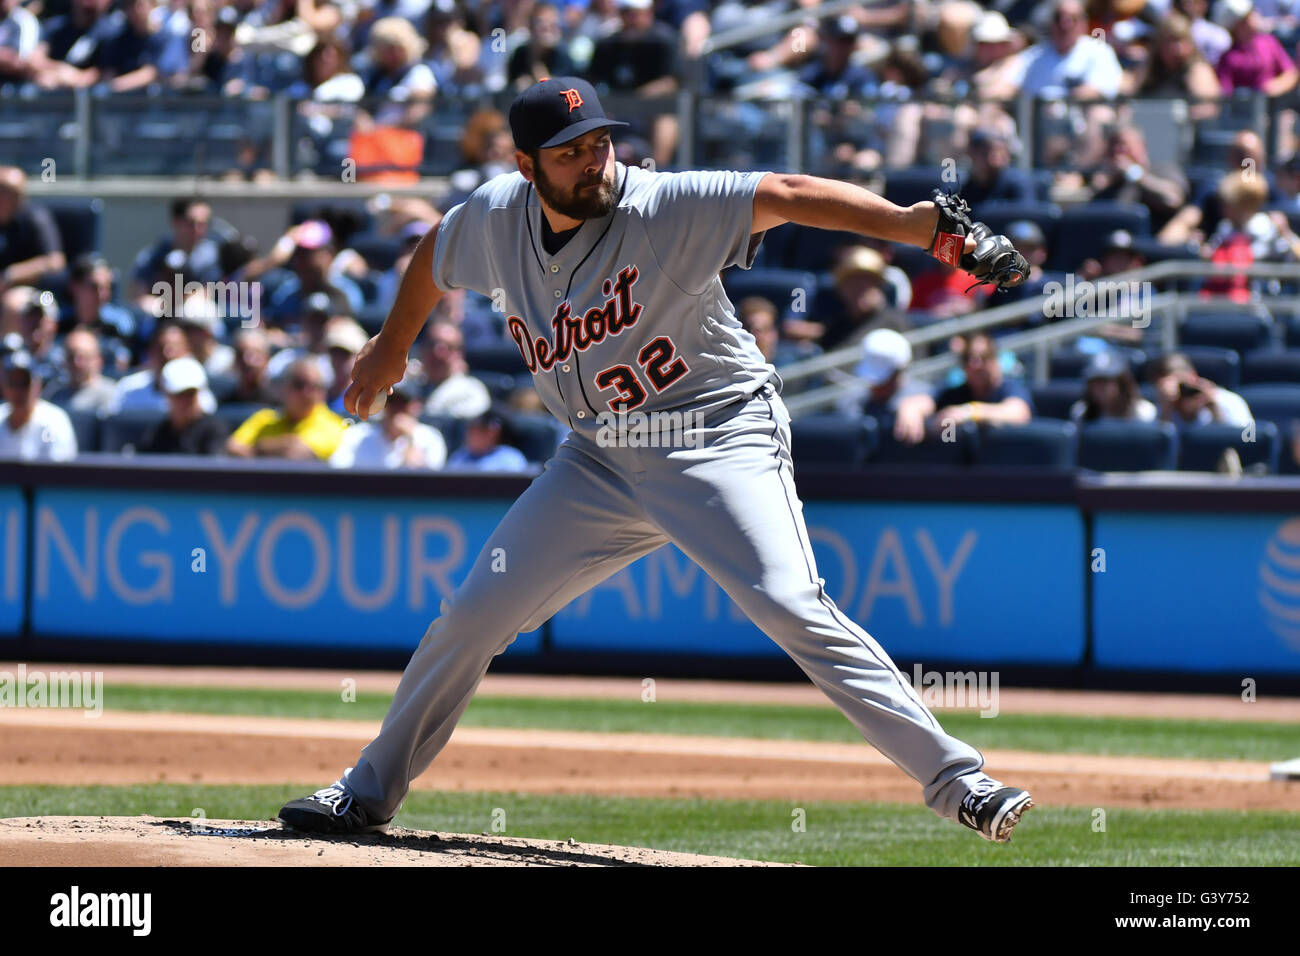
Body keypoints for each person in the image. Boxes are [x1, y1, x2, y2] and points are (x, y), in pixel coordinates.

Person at [278, 76, 1036, 844]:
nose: (593, 161)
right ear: (524, 165)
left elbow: (788, 190)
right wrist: (390, 347)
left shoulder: (662, 206)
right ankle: (367, 792)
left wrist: (916, 226)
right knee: (471, 617)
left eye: (600, 142)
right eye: (570, 152)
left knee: (788, 602)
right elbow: (434, 252)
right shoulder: (494, 219)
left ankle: (959, 781)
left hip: (718, 437)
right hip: (597, 458)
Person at [225, 355, 347, 460]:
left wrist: (256, 448)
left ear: (323, 392)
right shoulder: (263, 419)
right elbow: (231, 448)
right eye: (299, 384)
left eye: (315, 386)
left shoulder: (334, 424)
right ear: (285, 388)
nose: (306, 392)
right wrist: (278, 446)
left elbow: (296, 452)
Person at [914, 332, 1035, 430]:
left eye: (983, 357)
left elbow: (1019, 413)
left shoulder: (1009, 387)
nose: (975, 364)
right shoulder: (957, 391)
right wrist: (910, 411)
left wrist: (969, 412)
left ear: (996, 360)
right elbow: (925, 402)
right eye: (968, 358)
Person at [329, 377, 447, 469]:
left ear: (415, 406)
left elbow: (426, 482)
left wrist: (410, 439)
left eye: (402, 403)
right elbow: (337, 469)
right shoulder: (357, 434)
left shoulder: (431, 437)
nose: (396, 409)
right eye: (391, 402)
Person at [129, 198, 222, 308]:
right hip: (158, 316)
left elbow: (206, 294)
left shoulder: (213, 256)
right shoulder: (152, 256)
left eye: (202, 224)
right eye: (190, 223)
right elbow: (138, 295)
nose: (197, 230)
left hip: (197, 317)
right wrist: (161, 308)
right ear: (175, 222)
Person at [137, 356, 230, 454]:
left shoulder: (215, 431)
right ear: (167, 395)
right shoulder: (156, 434)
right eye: (179, 395)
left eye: (191, 394)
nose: (186, 401)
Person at [0, 349, 77, 461]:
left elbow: (61, 474)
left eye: (24, 383)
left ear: (37, 385)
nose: (18, 390)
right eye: (13, 383)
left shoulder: (55, 421)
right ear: (4, 386)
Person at [1213, 0, 1298, 96]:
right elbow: (1225, 93)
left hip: (1278, 106)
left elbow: (1291, 73)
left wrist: (1273, 88)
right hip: (1246, 109)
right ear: (1238, 25)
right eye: (1248, 16)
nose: (1255, 16)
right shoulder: (1228, 58)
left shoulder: (1268, 42)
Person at [0, 167, 65, 291]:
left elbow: (55, 261)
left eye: (7, 192)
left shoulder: (35, 219)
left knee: (13, 304)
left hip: (24, 291)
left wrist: (9, 276)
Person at [1149, 351, 1254, 426]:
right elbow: (1157, 450)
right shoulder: (1161, 407)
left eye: (1181, 383)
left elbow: (1243, 443)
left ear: (1193, 377)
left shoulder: (1230, 402)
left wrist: (1214, 408)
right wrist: (1167, 410)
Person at [417, 319, 490, 419]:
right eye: (432, 344)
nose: (437, 353)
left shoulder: (472, 390)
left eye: (448, 347)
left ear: (460, 353)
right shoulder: (408, 384)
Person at [43, 327, 118, 414]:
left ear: (98, 360)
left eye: (83, 356)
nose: (76, 362)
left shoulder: (111, 394)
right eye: (71, 356)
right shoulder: (54, 392)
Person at [1069, 351, 1158, 422]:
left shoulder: (1143, 412)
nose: (1100, 387)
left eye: (1106, 380)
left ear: (1121, 383)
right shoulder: (1080, 412)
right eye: (1095, 381)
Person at [444, 406, 530, 471]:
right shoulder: (460, 456)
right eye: (470, 428)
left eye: (478, 429)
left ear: (493, 432)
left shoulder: (510, 458)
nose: (470, 433)